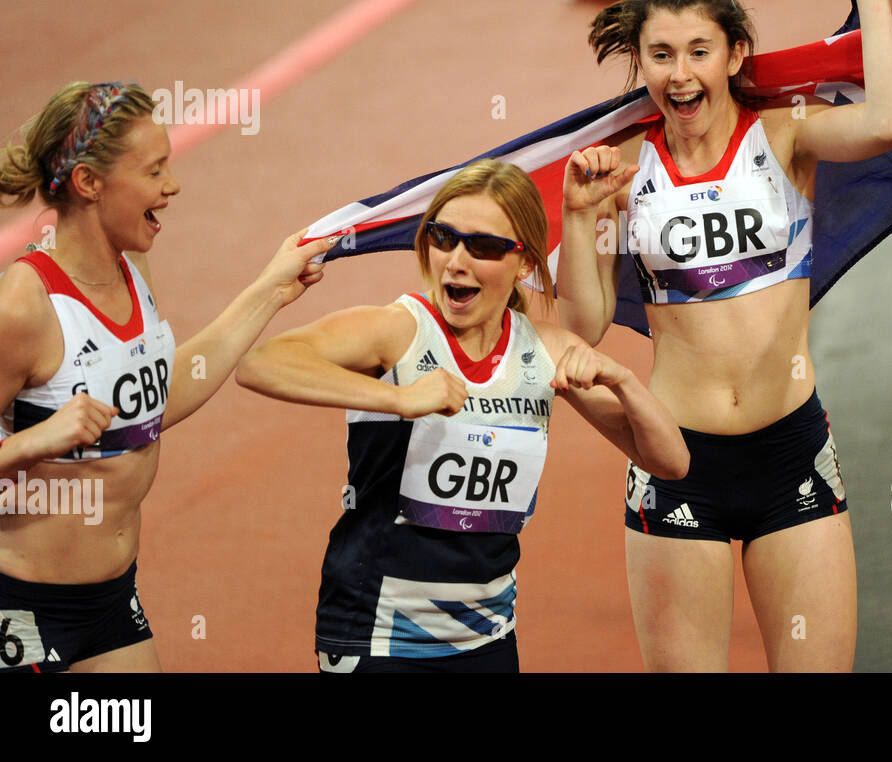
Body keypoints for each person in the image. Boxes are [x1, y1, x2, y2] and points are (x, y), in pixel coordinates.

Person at [557, 0, 892, 671]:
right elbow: (578, 328)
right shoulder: (623, 174)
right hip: (677, 462)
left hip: (792, 453)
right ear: (640, 61)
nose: (680, 74)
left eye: (698, 51)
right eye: (660, 55)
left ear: (735, 53)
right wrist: (580, 218)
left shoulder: (784, 137)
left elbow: (888, 121)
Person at [235, 159, 688, 673]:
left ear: (523, 262)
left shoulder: (542, 350)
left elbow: (671, 461)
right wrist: (398, 399)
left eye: (483, 246)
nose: (455, 261)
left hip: (486, 637)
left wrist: (624, 381)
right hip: (377, 635)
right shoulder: (398, 331)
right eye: (443, 237)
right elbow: (261, 364)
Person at [0, 81, 332, 672]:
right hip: (19, 609)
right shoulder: (24, 307)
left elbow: (158, 395)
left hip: (111, 605)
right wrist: (33, 442)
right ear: (90, 183)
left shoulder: (131, 267)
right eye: (154, 171)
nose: (172, 186)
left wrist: (271, 291)